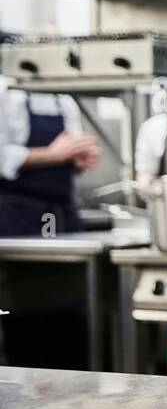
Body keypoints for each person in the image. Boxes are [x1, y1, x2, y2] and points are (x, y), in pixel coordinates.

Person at [0, 83, 102, 368]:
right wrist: (53, 154)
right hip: (18, 219)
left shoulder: (62, 97)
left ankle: (74, 401)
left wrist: (78, 159)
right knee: (26, 317)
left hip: (62, 217)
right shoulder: (6, 92)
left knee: (70, 314)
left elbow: (66, 151)